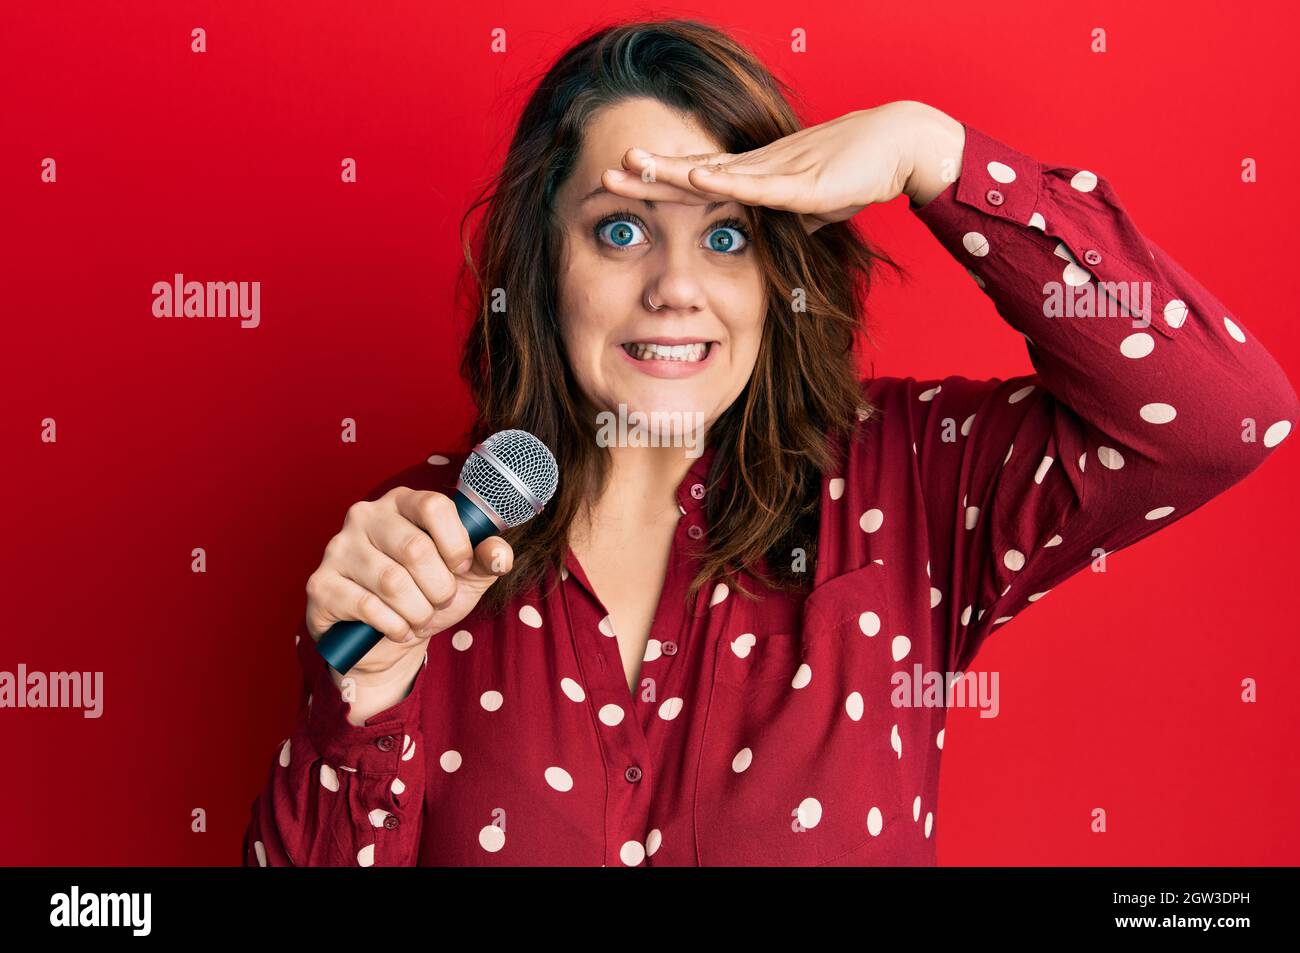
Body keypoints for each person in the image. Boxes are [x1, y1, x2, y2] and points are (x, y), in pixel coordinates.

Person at [243, 19, 1297, 866]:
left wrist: (936, 153)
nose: (675, 286)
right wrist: (368, 696)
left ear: (778, 267)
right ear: (542, 263)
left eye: (724, 232)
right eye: (619, 228)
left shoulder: (908, 480)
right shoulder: (421, 543)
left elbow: (1222, 414)